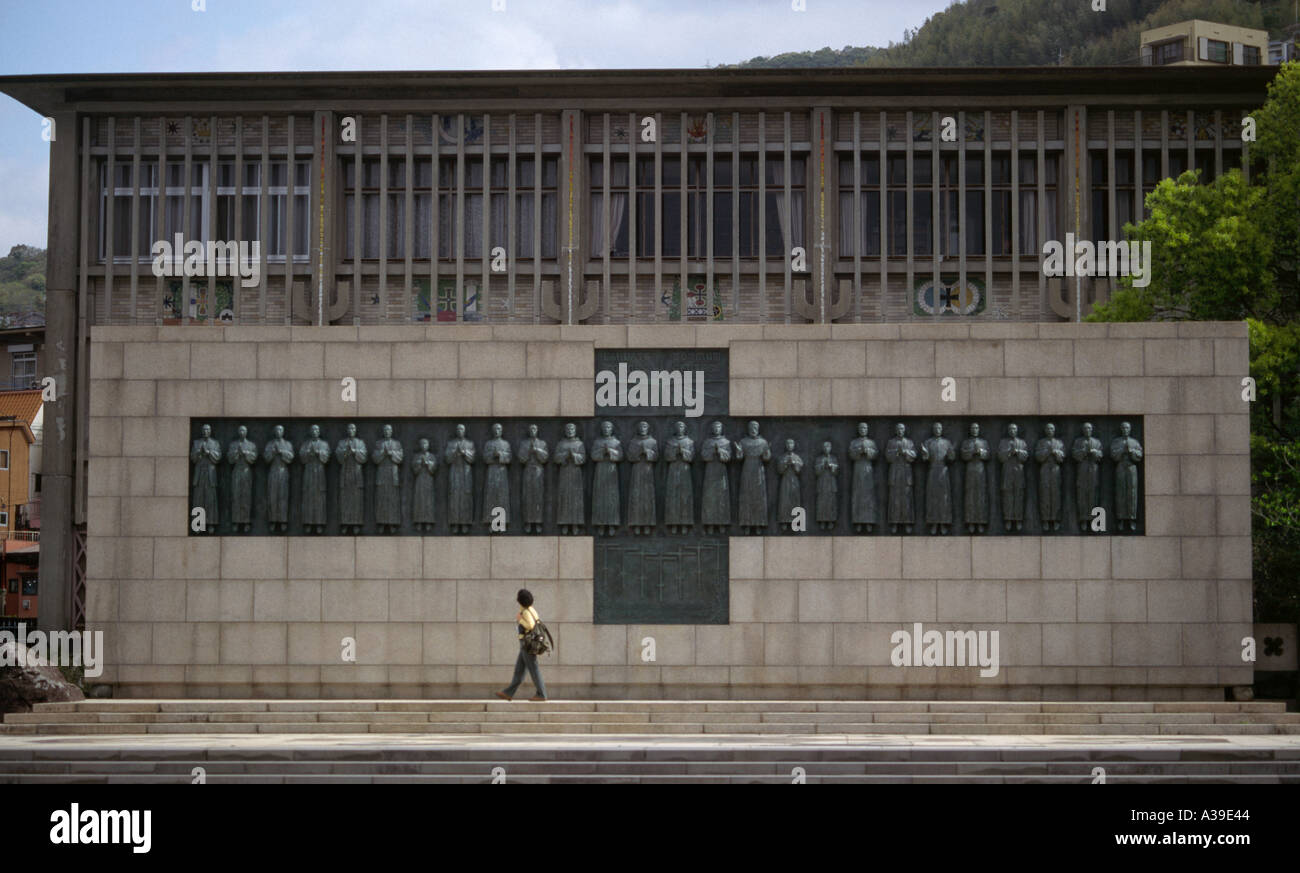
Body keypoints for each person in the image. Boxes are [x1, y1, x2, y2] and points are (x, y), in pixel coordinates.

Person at [496, 589, 547, 702]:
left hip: (527, 644)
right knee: (519, 670)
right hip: (526, 644)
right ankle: (508, 693)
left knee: (534, 669)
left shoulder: (525, 612)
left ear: (520, 601)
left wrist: (520, 620)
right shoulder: (531, 610)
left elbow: (530, 625)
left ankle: (542, 694)